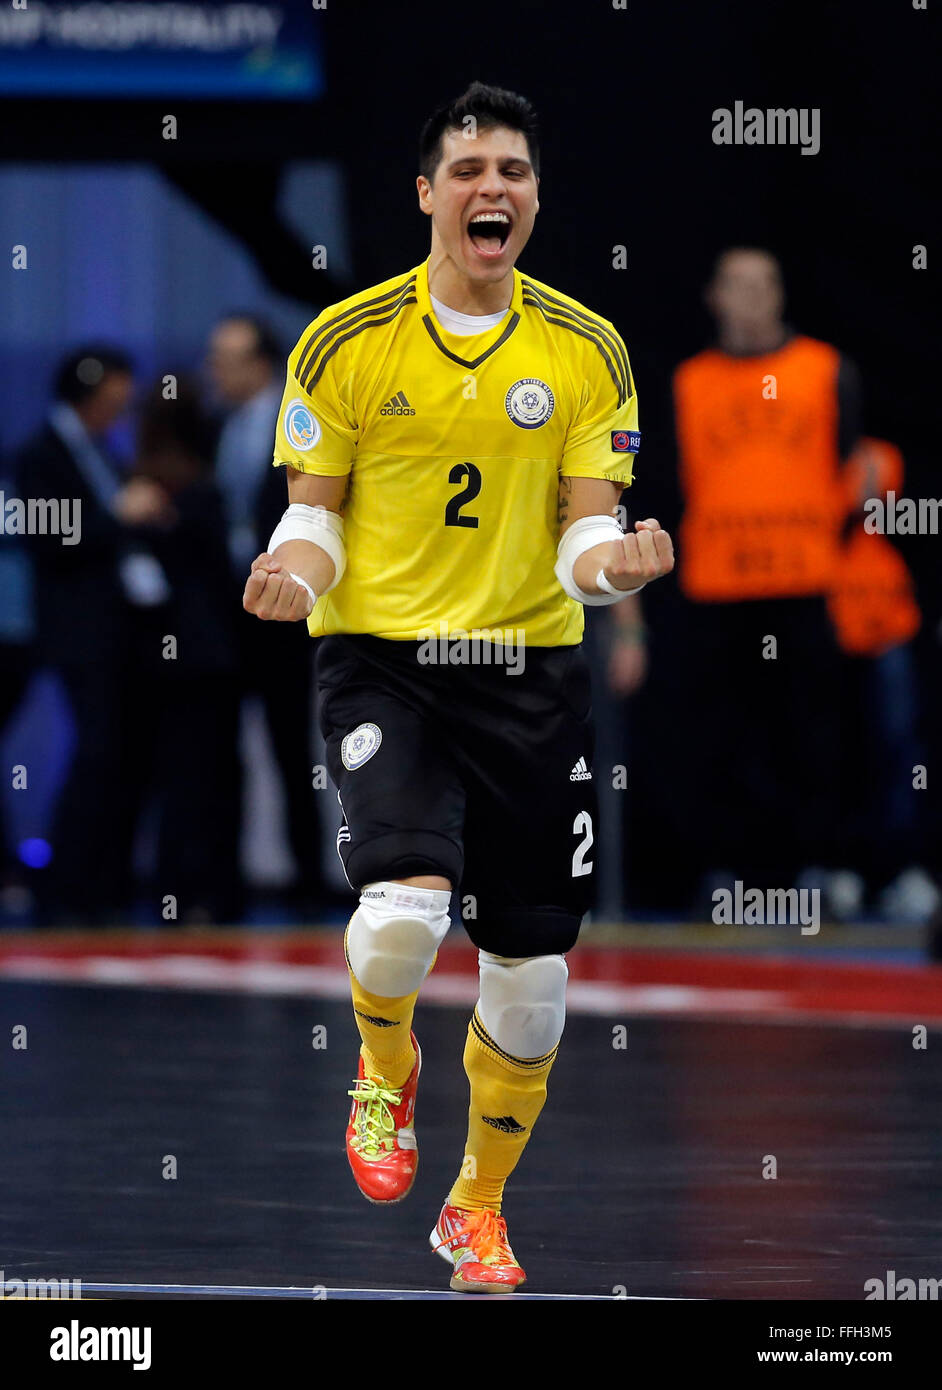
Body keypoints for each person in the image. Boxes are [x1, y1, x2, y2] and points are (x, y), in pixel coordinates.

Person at [242, 82, 673, 1292]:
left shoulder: (588, 350)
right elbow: (312, 517)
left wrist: (618, 562)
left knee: (533, 981)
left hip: (530, 674)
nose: (496, 188)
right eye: (471, 167)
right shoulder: (346, 339)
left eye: (517, 171)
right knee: (400, 912)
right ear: (428, 192)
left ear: (535, 198)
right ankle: (385, 1064)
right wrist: (287, 566)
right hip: (384, 661)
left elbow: (587, 538)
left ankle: (474, 1207)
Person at [672, 248, 861, 901]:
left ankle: (822, 869)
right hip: (718, 587)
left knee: (814, 735)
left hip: (804, 582)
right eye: (736, 285)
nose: (750, 298)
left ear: (782, 294)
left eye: (763, 285)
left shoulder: (826, 370)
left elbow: (853, 464)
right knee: (721, 740)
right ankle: (726, 875)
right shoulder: (689, 381)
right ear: (713, 297)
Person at [16, 346, 173, 923]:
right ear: (87, 394)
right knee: (96, 750)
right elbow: (48, 535)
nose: (119, 410)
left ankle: (101, 885)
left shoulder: (101, 450)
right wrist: (120, 518)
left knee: (118, 755)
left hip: (120, 628)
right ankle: (63, 890)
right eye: (112, 400)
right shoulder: (42, 453)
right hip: (81, 633)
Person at [208, 314, 337, 915]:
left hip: (282, 613)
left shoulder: (298, 425)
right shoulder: (218, 428)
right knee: (219, 749)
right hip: (223, 618)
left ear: (262, 363)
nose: (216, 371)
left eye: (229, 359)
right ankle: (224, 882)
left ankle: (308, 879)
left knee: (292, 745)